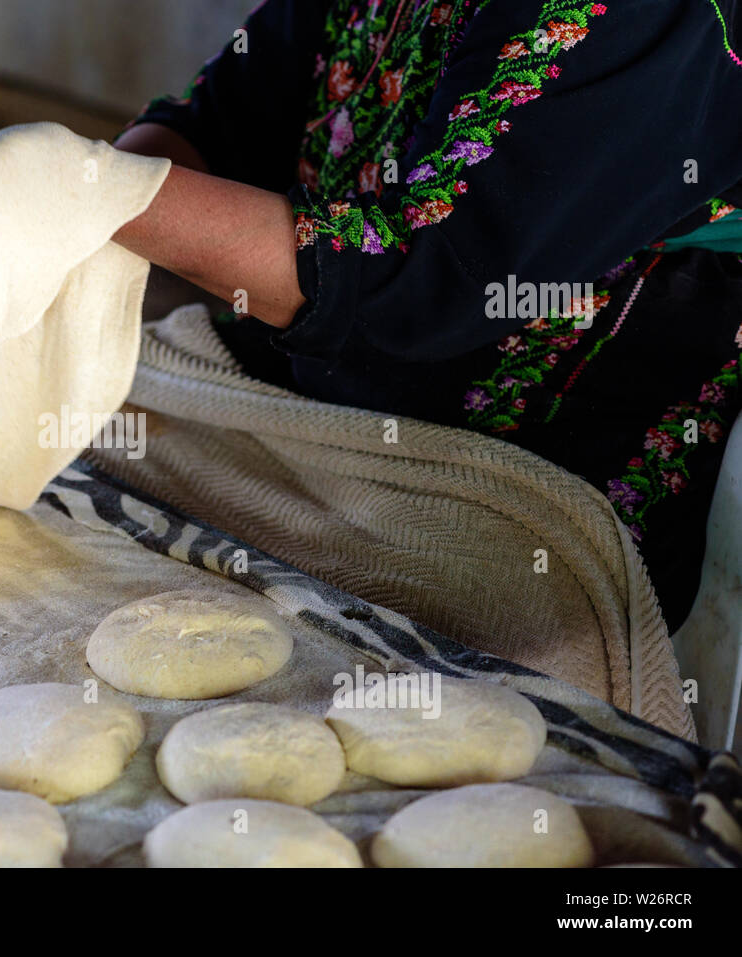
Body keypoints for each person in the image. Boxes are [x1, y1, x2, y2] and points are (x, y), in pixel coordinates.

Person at [111, 0, 742, 632]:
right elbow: (212, 127)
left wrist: (98, 194)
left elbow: (427, 277)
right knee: (93, 460)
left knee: (403, 673)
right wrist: (86, 190)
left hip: (526, 460)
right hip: (311, 385)